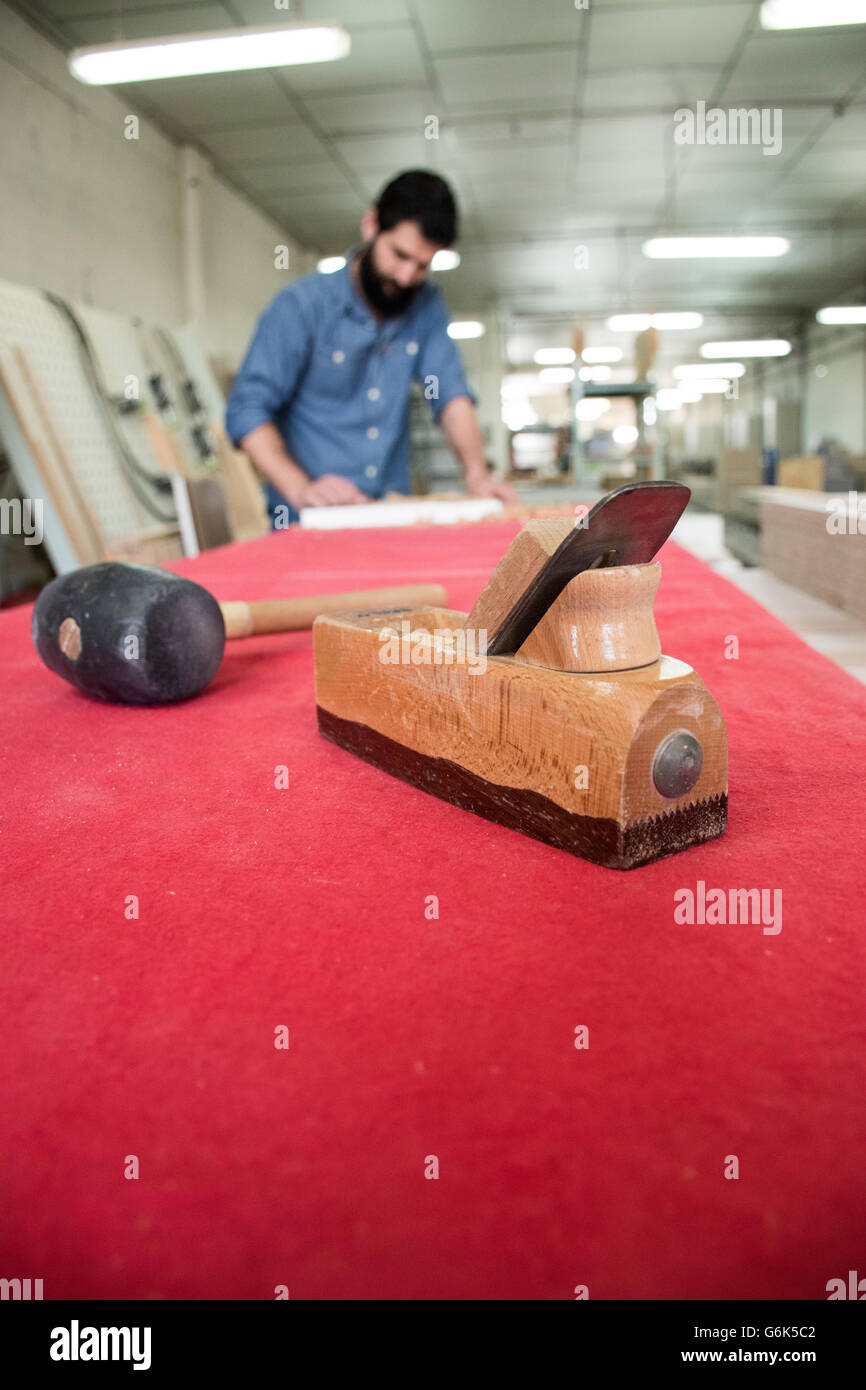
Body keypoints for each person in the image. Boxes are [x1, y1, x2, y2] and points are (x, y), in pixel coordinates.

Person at [225, 169, 517, 524]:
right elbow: (247, 410)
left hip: (389, 517)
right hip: (308, 521)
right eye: (399, 255)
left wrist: (477, 475)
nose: (407, 276)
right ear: (371, 225)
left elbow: (451, 395)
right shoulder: (301, 306)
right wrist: (301, 488)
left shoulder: (426, 309)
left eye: (423, 265)